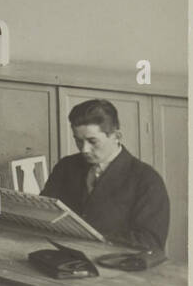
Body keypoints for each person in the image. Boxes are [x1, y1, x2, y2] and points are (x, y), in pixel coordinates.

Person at [42, 99, 169, 253]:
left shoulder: (147, 180)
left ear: (116, 136)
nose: (84, 149)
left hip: (117, 266)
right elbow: (44, 213)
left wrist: (95, 238)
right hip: (63, 257)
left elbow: (151, 243)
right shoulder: (66, 166)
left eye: (92, 141)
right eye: (78, 141)